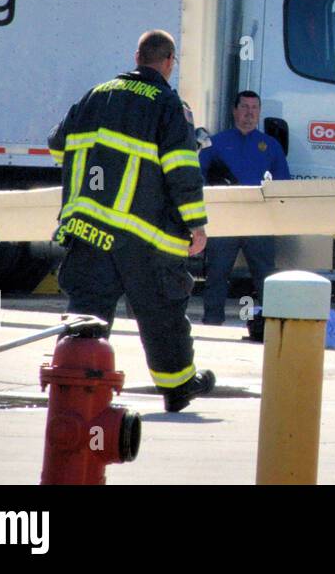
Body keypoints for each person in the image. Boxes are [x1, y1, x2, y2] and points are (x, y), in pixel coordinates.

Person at [47, 30, 215, 413]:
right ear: (169, 61)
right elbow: (181, 169)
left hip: (89, 228)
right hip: (143, 237)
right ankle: (177, 386)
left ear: (136, 56)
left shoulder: (96, 94)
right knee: (161, 312)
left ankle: (75, 386)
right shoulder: (169, 105)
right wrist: (196, 223)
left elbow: (58, 146)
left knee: (87, 313)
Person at [196, 90, 291, 325]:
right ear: (234, 110)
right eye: (245, 107)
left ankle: (271, 326)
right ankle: (212, 322)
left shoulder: (270, 146)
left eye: (254, 108)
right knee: (216, 275)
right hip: (225, 221)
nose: (249, 113)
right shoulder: (215, 143)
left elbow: (283, 185)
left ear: (259, 112)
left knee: (265, 277)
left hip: (259, 222)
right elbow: (198, 178)